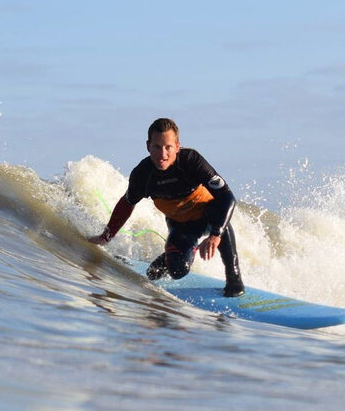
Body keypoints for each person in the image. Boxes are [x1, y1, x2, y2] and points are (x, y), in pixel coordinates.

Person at [88, 118, 245, 297]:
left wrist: (215, 234)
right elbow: (127, 203)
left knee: (218, 214)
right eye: (157, 147)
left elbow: (226, 196)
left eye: (168, 147)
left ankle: (234, 279)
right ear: (148, 146)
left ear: (177, 146)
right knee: (173, 271)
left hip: (210, 218)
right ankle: (172, 257)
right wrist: (105, 236)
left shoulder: (191, 161)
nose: (162, 154)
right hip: (181, 226)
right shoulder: (143, 174)